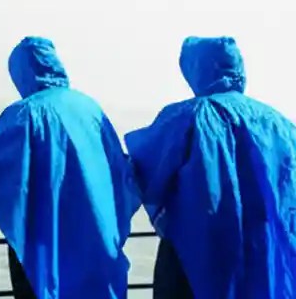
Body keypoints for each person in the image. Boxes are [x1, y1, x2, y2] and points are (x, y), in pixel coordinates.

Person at [126, 36, 296, 298]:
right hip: (265, 253)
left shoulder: (187, 117)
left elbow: (142, 173)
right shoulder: (280, 126)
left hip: (195, 257)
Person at [0, 37, 140, 299]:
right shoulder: (90, 109)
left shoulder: (23, 115)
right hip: (96, 238)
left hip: (43, 243)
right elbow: (121, 172)